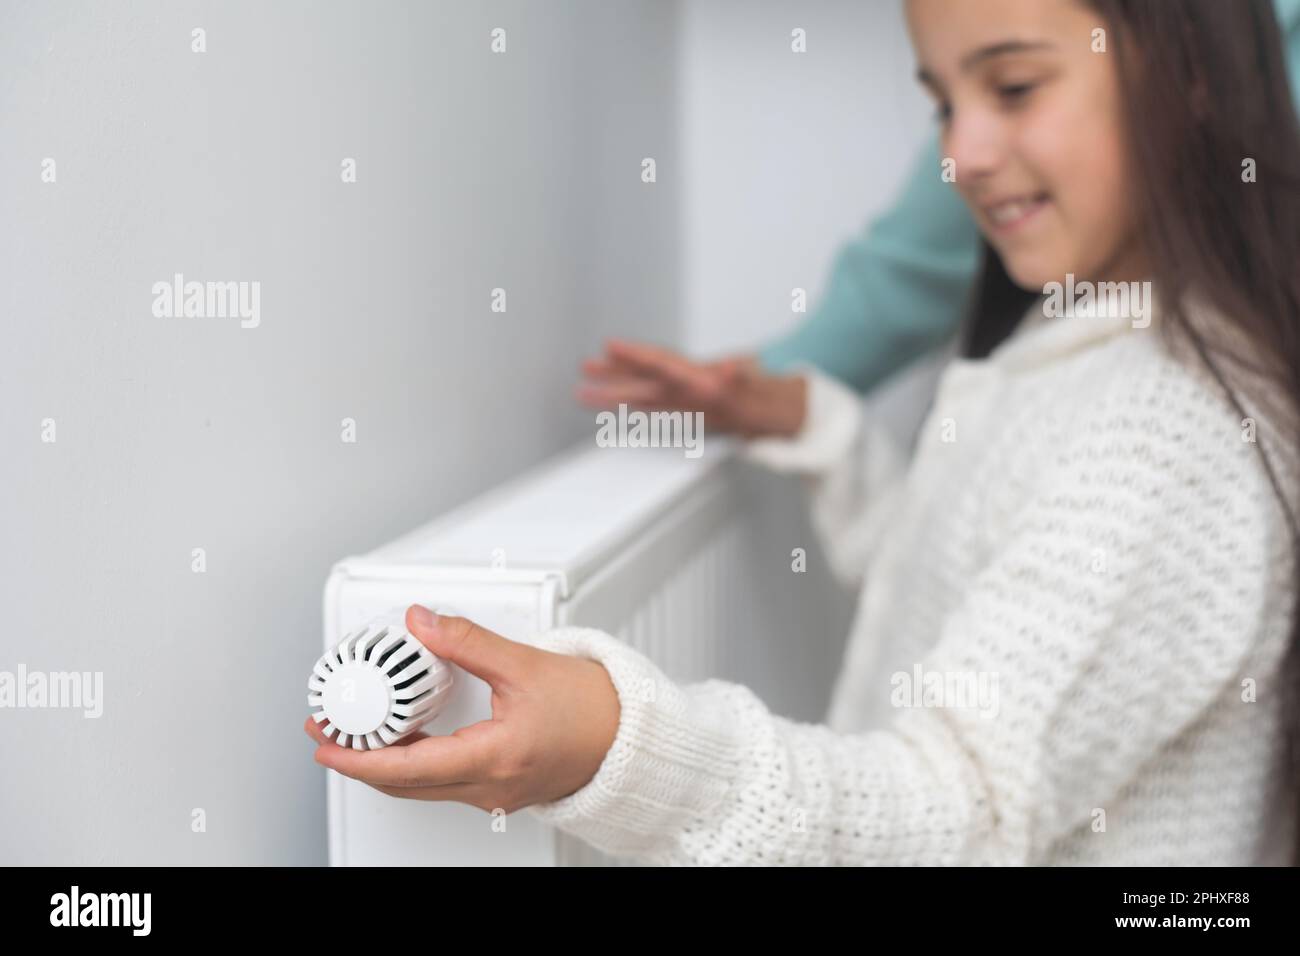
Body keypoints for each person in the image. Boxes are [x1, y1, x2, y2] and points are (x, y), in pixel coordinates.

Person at [306, 0, 1300, 865]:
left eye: (1012, 86)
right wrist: (808, 421)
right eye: (943, 103)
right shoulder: (1079, 339)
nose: (964, 154)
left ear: (1194, 75)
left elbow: (956, 814)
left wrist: (623, 748)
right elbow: (946, 581)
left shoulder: (1168, 434)